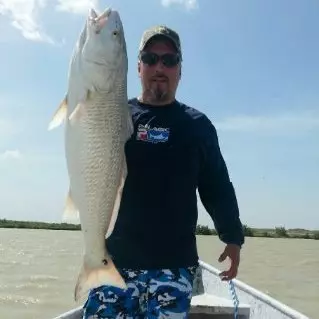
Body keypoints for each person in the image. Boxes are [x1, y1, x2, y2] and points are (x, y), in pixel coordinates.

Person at [83, 25, 245, 319]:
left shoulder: (198, 126)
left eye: (169, 60)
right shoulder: (114, 114)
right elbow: (88, 158)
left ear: (180, 70)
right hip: (114, 263)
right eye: (151, 58)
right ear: (138, 67)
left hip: (174, 269)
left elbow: (217, 186)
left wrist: (233, 237)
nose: (160, 67)